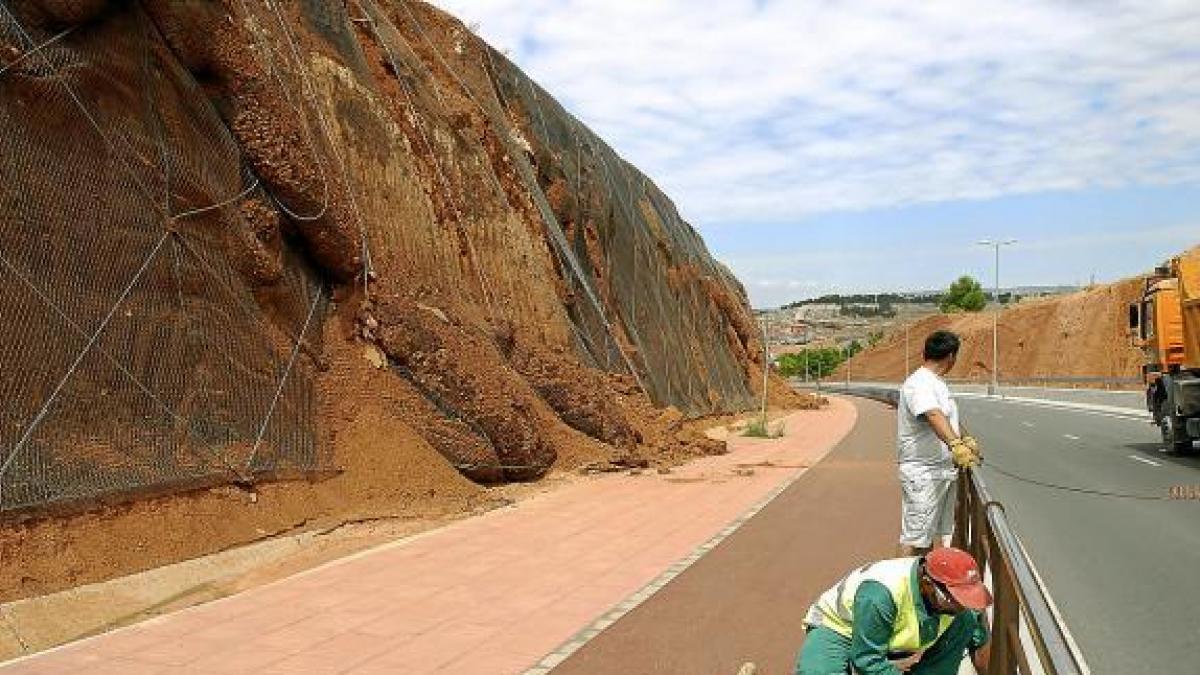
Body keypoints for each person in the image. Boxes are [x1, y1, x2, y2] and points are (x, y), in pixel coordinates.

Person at [795, 547, 991, 675]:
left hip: (890, 632)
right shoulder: (881, 594)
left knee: (963, 622)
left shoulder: (961, 609)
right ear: (927, 584)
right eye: (954, 599)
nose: (960, 606)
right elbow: (866, 660)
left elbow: (980, 645)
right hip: (840, 627)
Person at [896, 331, 980, 557]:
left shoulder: (937, 383)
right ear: (951, 356)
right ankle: (900, 577)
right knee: (914, 539)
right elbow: (933, 415)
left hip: (941, 472)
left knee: (931, 537)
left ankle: (923, 578)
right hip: (924, 473)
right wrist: (955, 445)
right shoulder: (919, 383)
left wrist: (965, 439)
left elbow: (946, 417)